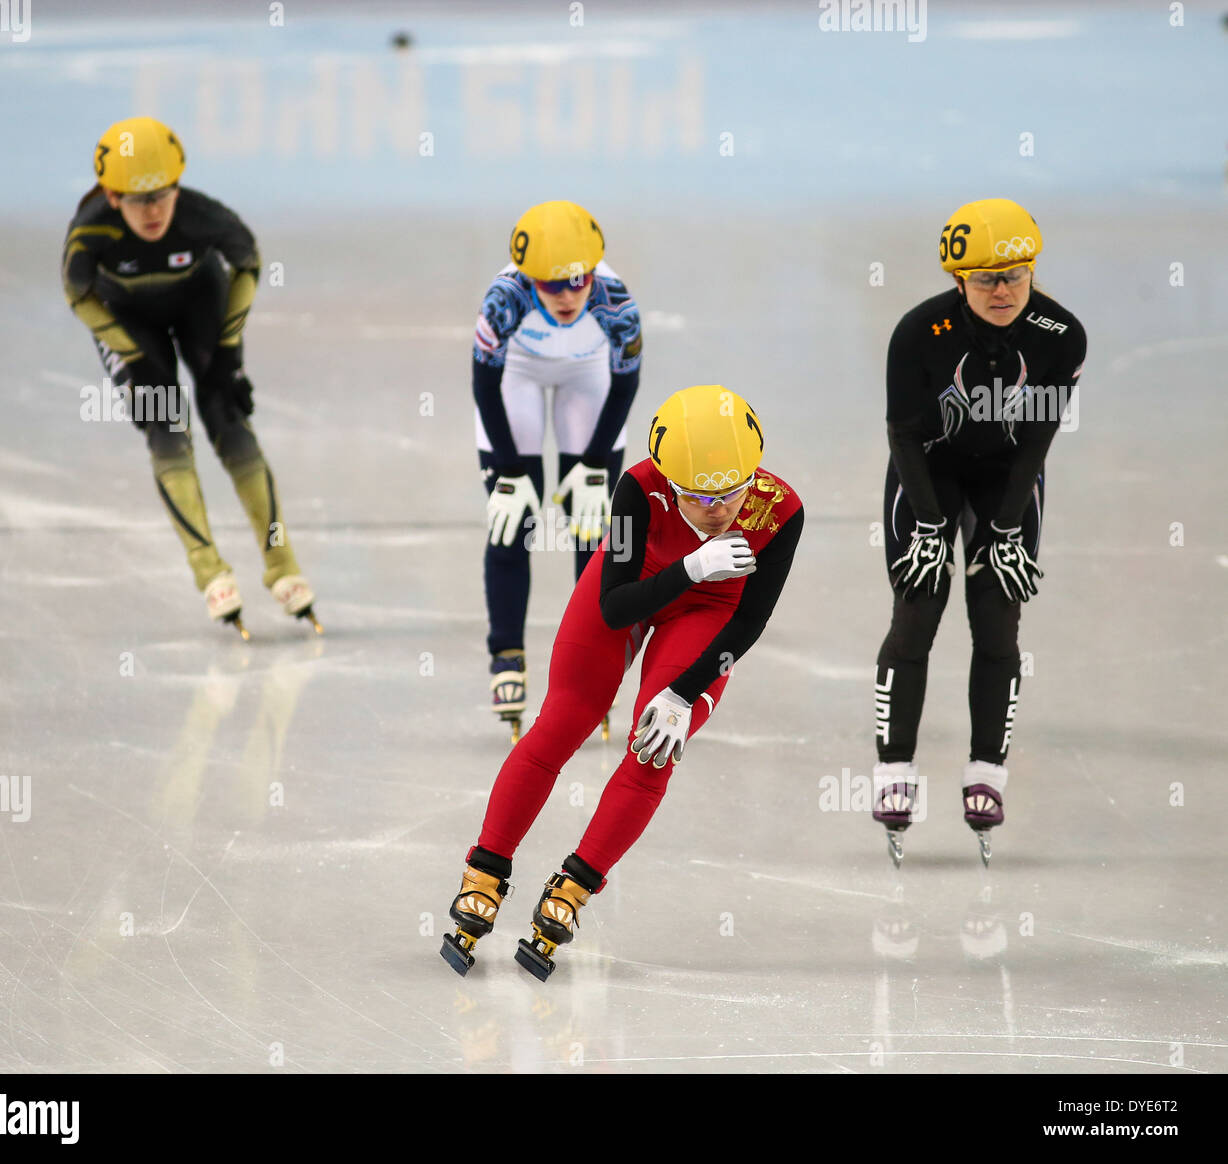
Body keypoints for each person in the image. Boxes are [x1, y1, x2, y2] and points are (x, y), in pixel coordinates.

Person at [442, 384, 805, 979]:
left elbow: (750, 620)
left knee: (656, 746)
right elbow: (615, 607)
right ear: (670, 480)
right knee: (564, 721)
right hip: (640, 586)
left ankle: (574, 887)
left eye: (733, 493)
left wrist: (684, 693)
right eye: (697, 497)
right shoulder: (639, 487)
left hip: (712, 611)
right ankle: (485, 868)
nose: (719, 510)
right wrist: (690, 565)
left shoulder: (781, 509)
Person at [872, 198, 1086, 865]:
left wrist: (1004, 526)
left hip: (1006, 481)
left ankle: (987, 773)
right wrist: (932, 526)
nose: (1003, 290)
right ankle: (893, 771)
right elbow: (905, 433)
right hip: (927, 475)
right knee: (917, 616)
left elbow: (1038, 442)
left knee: (998, 624)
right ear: (957, 279)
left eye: (1016, 275)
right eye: (987, 277)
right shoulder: (917, 333)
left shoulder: (1062, 336)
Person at [61, 116, 319, 637]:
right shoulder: (89, 231)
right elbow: (78, 295)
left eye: (163, 194)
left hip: (201, 304)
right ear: (112, 198)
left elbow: (248, 265)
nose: (154, 210)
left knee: (228, 415)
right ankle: (209, 571)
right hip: (128, 321)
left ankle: (283, 565)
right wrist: (131, 356)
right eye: (139, 199)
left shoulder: (205, 218)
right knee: (165, 427)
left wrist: (227, 348)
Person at [472, 200, 642, 739]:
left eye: (577, 283)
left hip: (588, 376)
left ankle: (588, 670)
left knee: (592, 530)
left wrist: (594, 466)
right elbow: (484, 386)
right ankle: (506, 655)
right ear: (529, 279)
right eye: (552, 286)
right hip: (516, 375)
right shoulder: (504, 299)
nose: (567, 296)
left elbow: (625, 384)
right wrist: (507, 469)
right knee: (513, 518)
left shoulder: (617, 303)